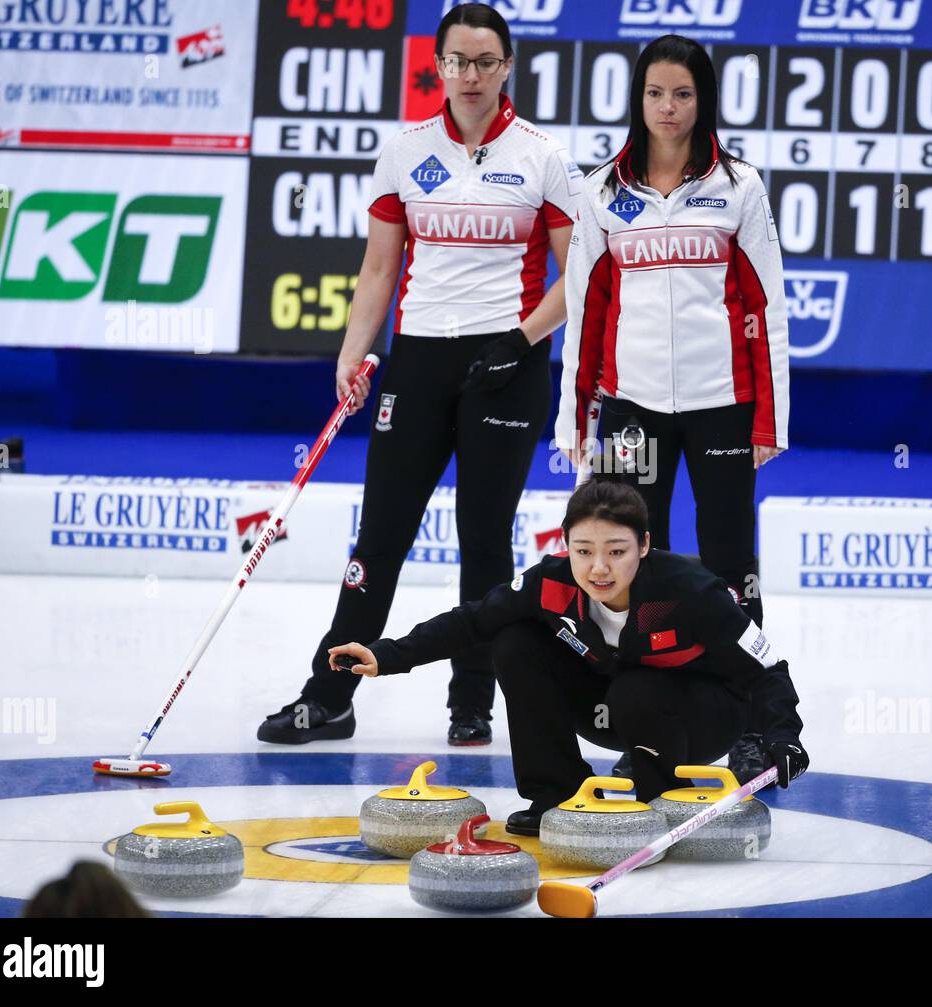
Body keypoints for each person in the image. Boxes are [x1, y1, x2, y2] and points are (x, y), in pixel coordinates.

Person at [258, 3, 581, 749]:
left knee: (484, 541)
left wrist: (522, 338)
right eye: (457, 62)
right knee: (380, 536)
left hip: (509, 362)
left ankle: (472, 704)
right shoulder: (405, 150)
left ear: (508, 68)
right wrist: (352, 352)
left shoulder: (542, 156)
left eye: (485, 62)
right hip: (420, 357)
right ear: (438, 66)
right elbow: (380, 266)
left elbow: (581, 276)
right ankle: (331, 695)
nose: (470, 76)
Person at [553, 35, 790, 783]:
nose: (668, 108)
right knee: (627, 567)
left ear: (703, 100)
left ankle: (755, 721)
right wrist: (574, 417)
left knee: (730, 567)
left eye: (683, 95)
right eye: (656, 93)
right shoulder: (600, 193)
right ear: (639, 99)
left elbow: (767, 307)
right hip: (631, 413)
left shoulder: (740, 186)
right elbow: (587, 312)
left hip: (724, 406)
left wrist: (768, 421)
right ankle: (642, 721)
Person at [329, 478, 808, 836]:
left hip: (703, 718)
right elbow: (472, 621)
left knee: (638, 687)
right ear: (567, 547)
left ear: (643, 546)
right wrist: (385, 655)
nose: (599, 568)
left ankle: (657, 801)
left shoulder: (690, 592)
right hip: (615, 711)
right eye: (584, 551)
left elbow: (767, 670)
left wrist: (783, 737)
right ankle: (555, 798)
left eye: (616, 551)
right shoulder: (551, 583)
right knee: (515, 640)